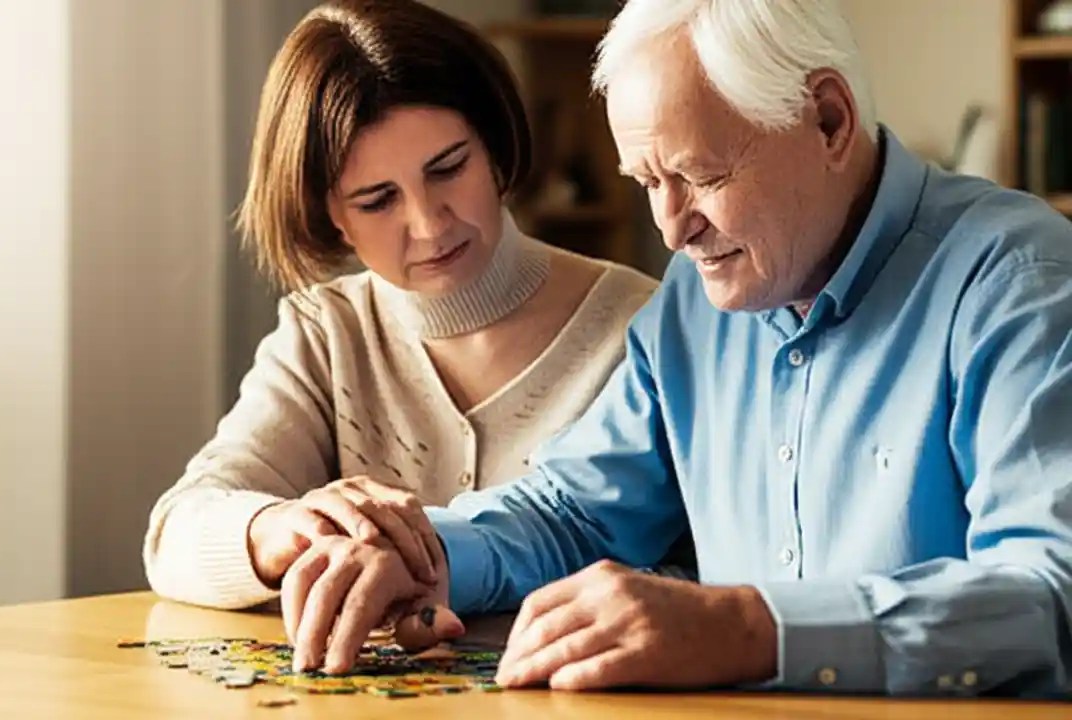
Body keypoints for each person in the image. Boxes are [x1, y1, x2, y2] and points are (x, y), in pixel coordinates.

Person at [276, 0, 1072, 696]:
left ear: (828, 120)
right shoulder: (698, 298)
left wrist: (747, 627)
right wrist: (420, 555)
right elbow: (575, 514)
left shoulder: (1019, 282)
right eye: (647, 183)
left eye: (698, 175)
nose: (670, 226)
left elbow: (1050, 596)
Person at [142, 0, 662, 620]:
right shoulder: (325, 332)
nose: (428, 223)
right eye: (377, 199)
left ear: (494, 146)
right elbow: (175, 531)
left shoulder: (648, 326)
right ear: (329, 215)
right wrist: (278, 527)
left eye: (448, 168)